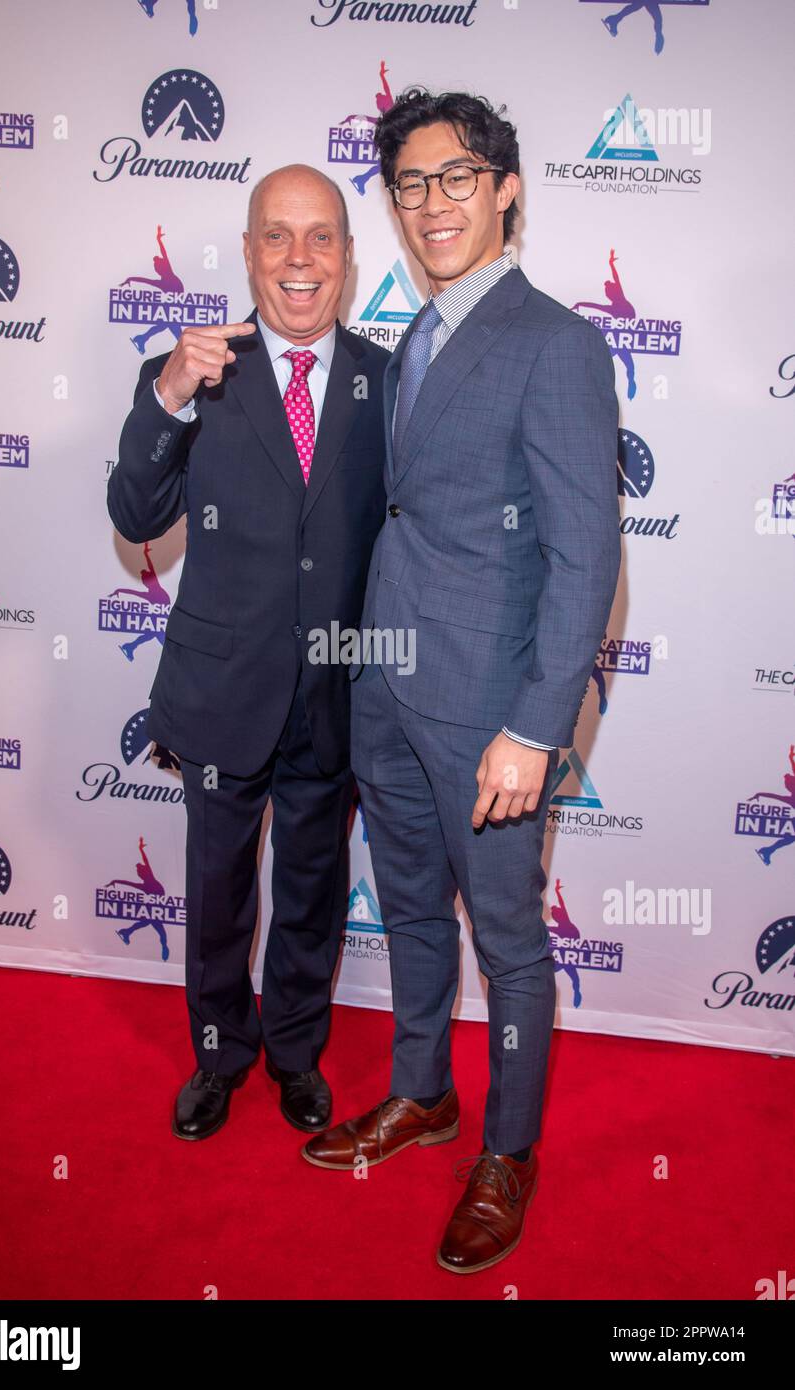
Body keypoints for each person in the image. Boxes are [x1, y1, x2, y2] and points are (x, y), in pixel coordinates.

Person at [302, 91, 621, 1274]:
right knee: (407, 911)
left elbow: (586, 554)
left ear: (505, 191)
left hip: (490, 712)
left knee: (507, 939)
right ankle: (422, 1092)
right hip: (383, 687)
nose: (430, 203)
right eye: (408, 185)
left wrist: (533, 729)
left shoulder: (555, 342)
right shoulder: (412, 341)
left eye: (455, 177)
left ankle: (507, 1149)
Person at [107, 165, 389, 1143]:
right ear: (247, 251)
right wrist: (172, 391)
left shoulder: (383, 379)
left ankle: (296, 1056)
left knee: (311, 886)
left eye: (320, 237)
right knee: (218, 887)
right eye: (277, 236)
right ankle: (219, 1054)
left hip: (336, 695)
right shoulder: (195, 367)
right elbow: (136, 513)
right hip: (222, 689)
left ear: (349, 260)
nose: (298, 259)